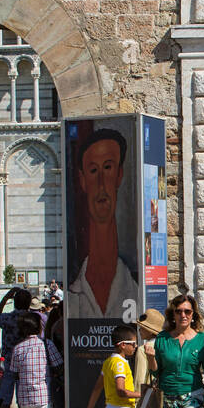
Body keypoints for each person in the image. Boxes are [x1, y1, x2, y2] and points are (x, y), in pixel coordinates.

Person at [68, 128, 141, 318]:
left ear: (119, 175)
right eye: (93, 171)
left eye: (108, 168)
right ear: (83, 180)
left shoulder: (136, 288)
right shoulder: (72, 293)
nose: (101, 183)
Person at [7, 310, 63, 408]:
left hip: (24, 397)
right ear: (39, 327)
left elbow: (14, 373)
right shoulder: (46, 344)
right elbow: (59, 365)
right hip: (43, 396)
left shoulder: (18, 348)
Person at [0, 288, 36, 408]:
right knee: (24, 403)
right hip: (26, 363)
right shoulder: (31, 319)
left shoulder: (8, 318)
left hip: (9, 362)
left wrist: (6, 298)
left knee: (5, 398)